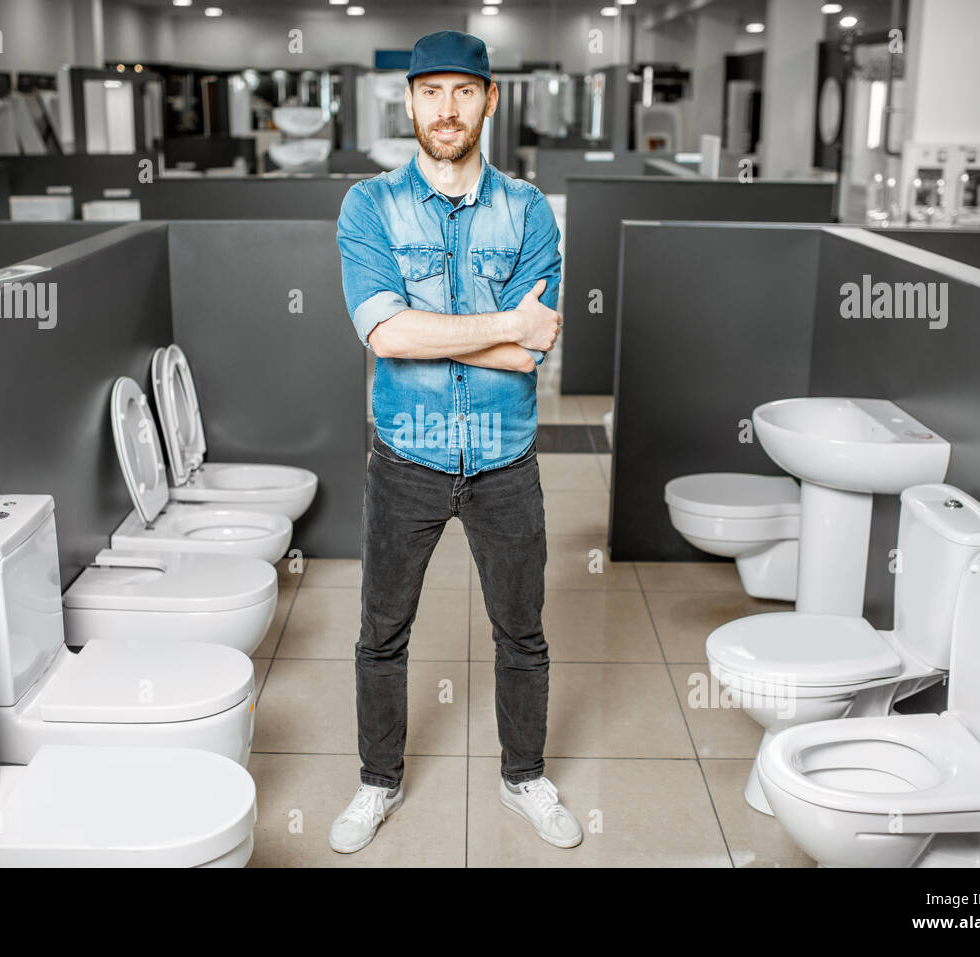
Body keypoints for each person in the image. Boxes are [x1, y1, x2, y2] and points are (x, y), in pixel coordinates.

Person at [331, 29, 580, 853]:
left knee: (523, 632)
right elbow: (385, 336)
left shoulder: (528, 209)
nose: (446, 109)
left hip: (505, 459)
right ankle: (377, 781)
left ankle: (525, 776)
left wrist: (440, 329)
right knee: (382, 633)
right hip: (405, 455)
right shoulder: (368, 206)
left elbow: (529, 349)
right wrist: (501, 323)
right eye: (430, 92)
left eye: (463, 91)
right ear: (408, 102)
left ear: (490, 100)